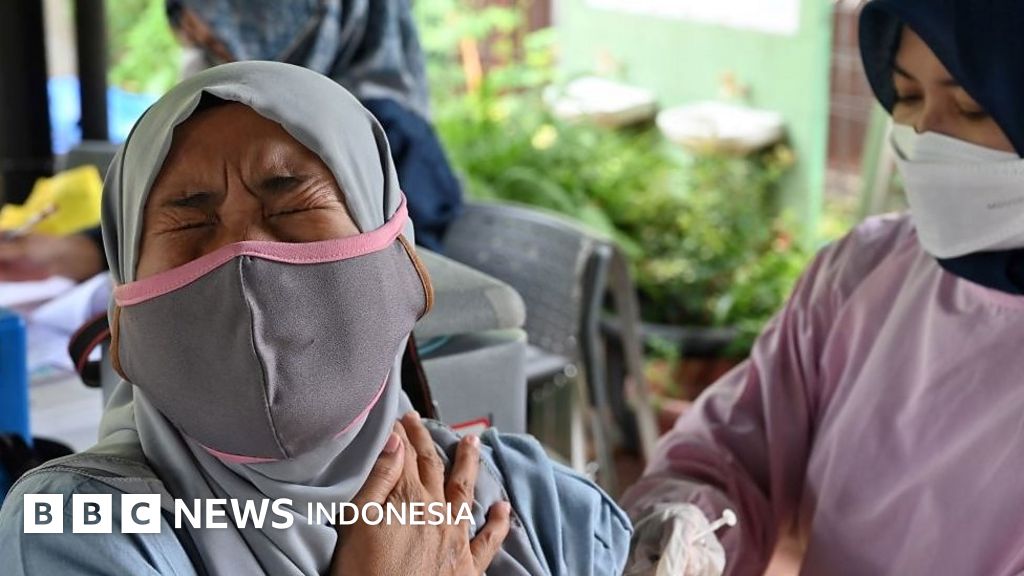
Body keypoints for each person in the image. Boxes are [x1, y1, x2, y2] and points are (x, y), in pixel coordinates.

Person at [0, 62, 630, 575]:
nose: (244, 254)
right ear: (123, 310)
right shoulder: (77, 526)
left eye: (292, 206)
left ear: (400, 261)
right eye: (189, 218)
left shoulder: (539, 503)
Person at [621, 1, 1024, 574]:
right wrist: (687, 528)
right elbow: (737, 448)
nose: (923, 133)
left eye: (971, 105)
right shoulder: (866, 271)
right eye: (907, 96)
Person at [0, 0, 459, 281]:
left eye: (221, 46)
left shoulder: (390, 141)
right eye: (198, 46)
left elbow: (400, 284)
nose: (206, 66)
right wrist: (88, 250)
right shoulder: (217, 126)